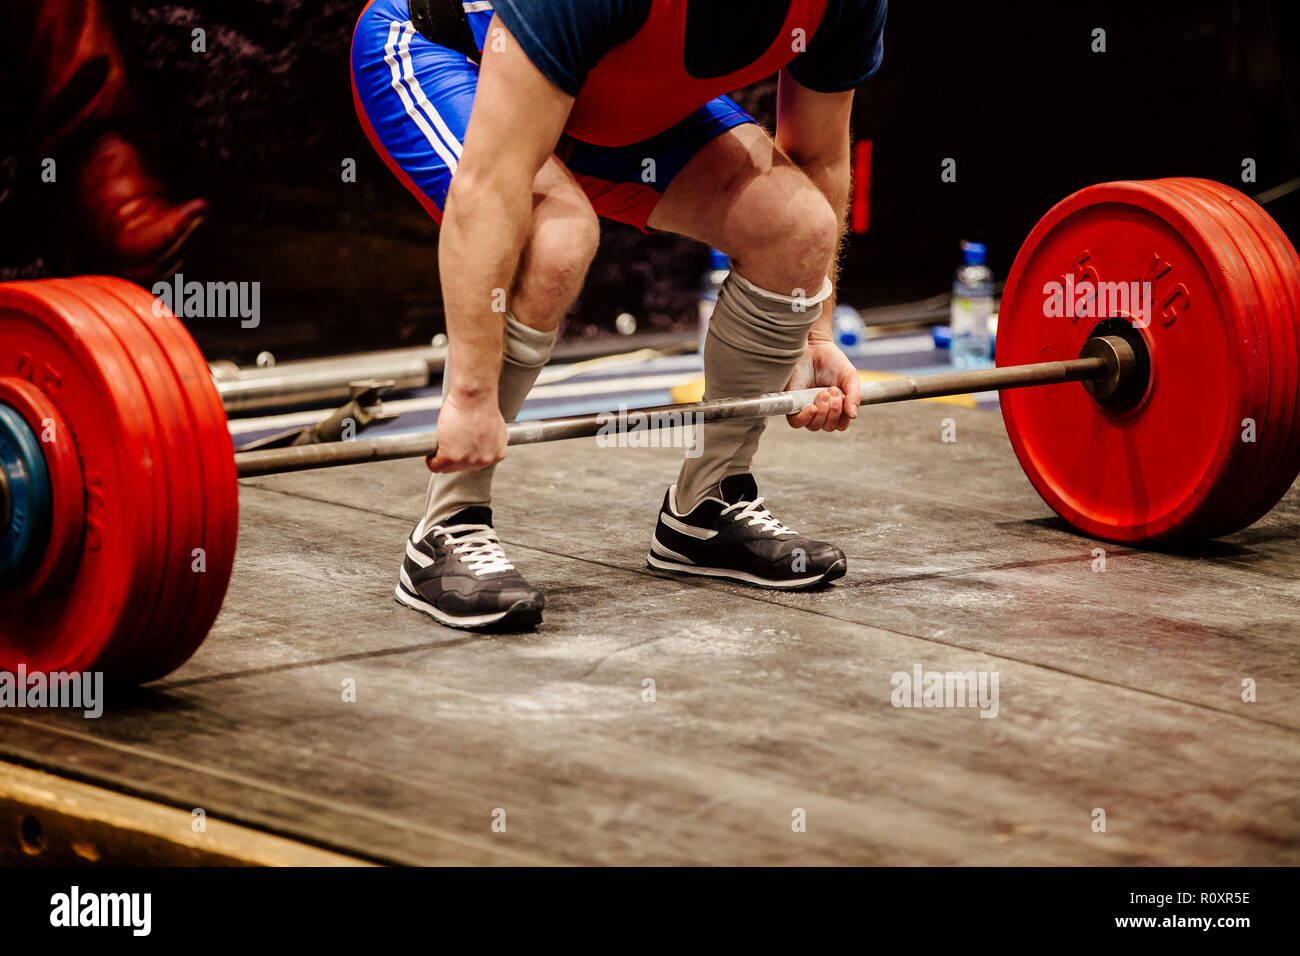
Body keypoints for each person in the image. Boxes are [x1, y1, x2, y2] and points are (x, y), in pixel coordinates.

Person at [351, 0, 886, 629]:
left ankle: (706, 508)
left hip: (611, 101)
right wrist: (470, 399)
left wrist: (810, 329)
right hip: (449, 56)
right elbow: (492, 182)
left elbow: (818, 156)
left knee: (796, 227)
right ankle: (448, 525)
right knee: (555, 241)